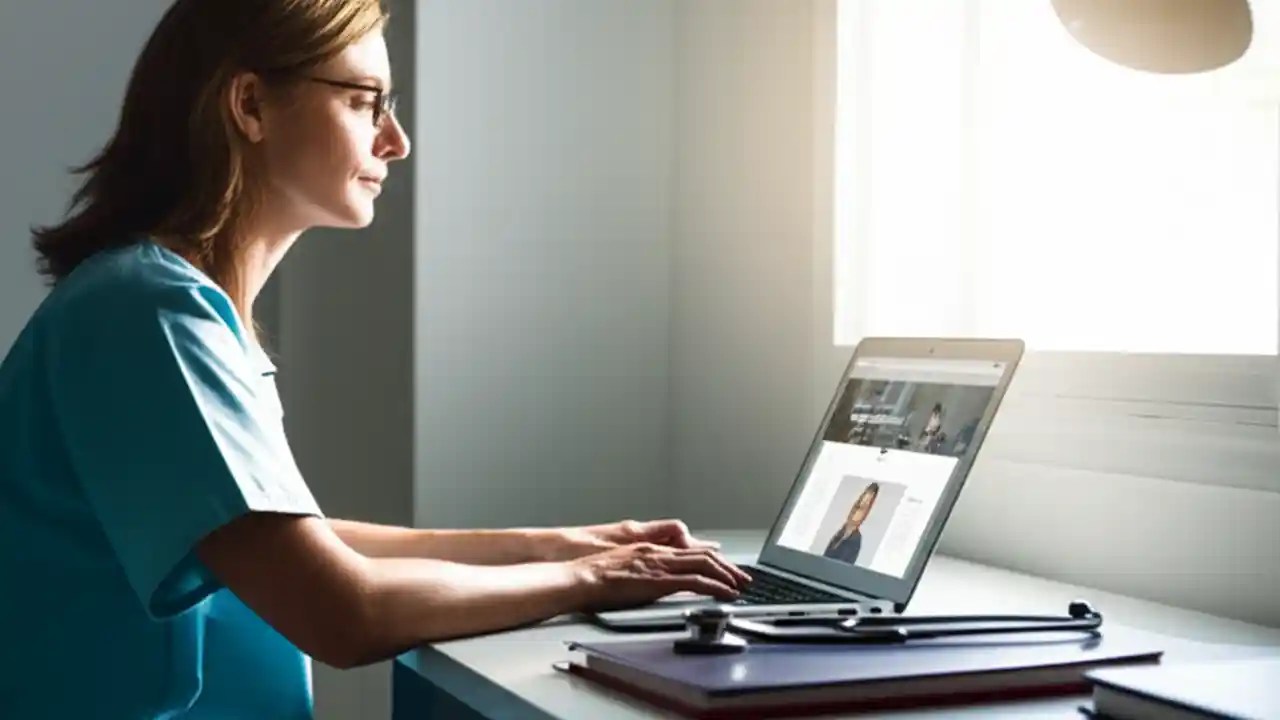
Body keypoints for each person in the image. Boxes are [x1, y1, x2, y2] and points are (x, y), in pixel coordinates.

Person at [0, 1, 750, 717]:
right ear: (251, 105)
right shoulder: (150, 312)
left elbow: (292, 542)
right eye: (365, 102)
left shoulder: (158, 303)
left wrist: (556, 546)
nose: (396, 141)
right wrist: (587, 578)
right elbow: (339, 611)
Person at [822, 483, 881, 565]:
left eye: (861, 508)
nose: (855, 510)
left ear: (865, 514)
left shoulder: (855, 541)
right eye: (857, 504)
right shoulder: (841, 532)